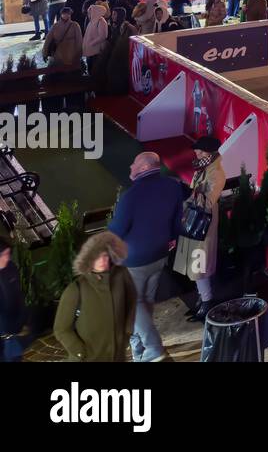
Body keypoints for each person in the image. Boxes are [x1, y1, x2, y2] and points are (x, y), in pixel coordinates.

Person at [106, 152, 185, 363]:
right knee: (145, 302)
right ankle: (138, 351)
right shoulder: (173, 186)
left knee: (133, 304)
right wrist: (171, 240)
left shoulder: (130, 196)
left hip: (134, 260)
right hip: (160, 255)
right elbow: (178, 220)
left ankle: (153, 348)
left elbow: (117, 230)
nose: (130, 167)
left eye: (134, 164)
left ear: (142, 168)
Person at [53, 232, 137, 362]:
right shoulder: (76, 289)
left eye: (104, 256)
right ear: (88, 259)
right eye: (97, 257)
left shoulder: (122, 276)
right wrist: (81, 352)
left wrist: (127, 332)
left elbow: (132, 301)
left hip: (117, 356)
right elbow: (61, 329)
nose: (102, 261)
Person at [173, 136, 224, 323]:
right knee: (193, 263)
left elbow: (209, 201)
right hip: (193, 220)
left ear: (209, 152)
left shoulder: (216, 173)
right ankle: (202, 299)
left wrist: (190, 193)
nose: (196, 153)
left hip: (203, 223)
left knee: (199, 264)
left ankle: (207, 302)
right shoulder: (202, 169)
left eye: (200, 151)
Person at [0, 228, 27, 362]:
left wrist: (21, 320)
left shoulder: (11, 268)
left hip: (13, 330)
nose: (7, 257)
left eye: (8, 253)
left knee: (15, 357)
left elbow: (18, 295)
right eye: (4, 254)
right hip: (3, 330)